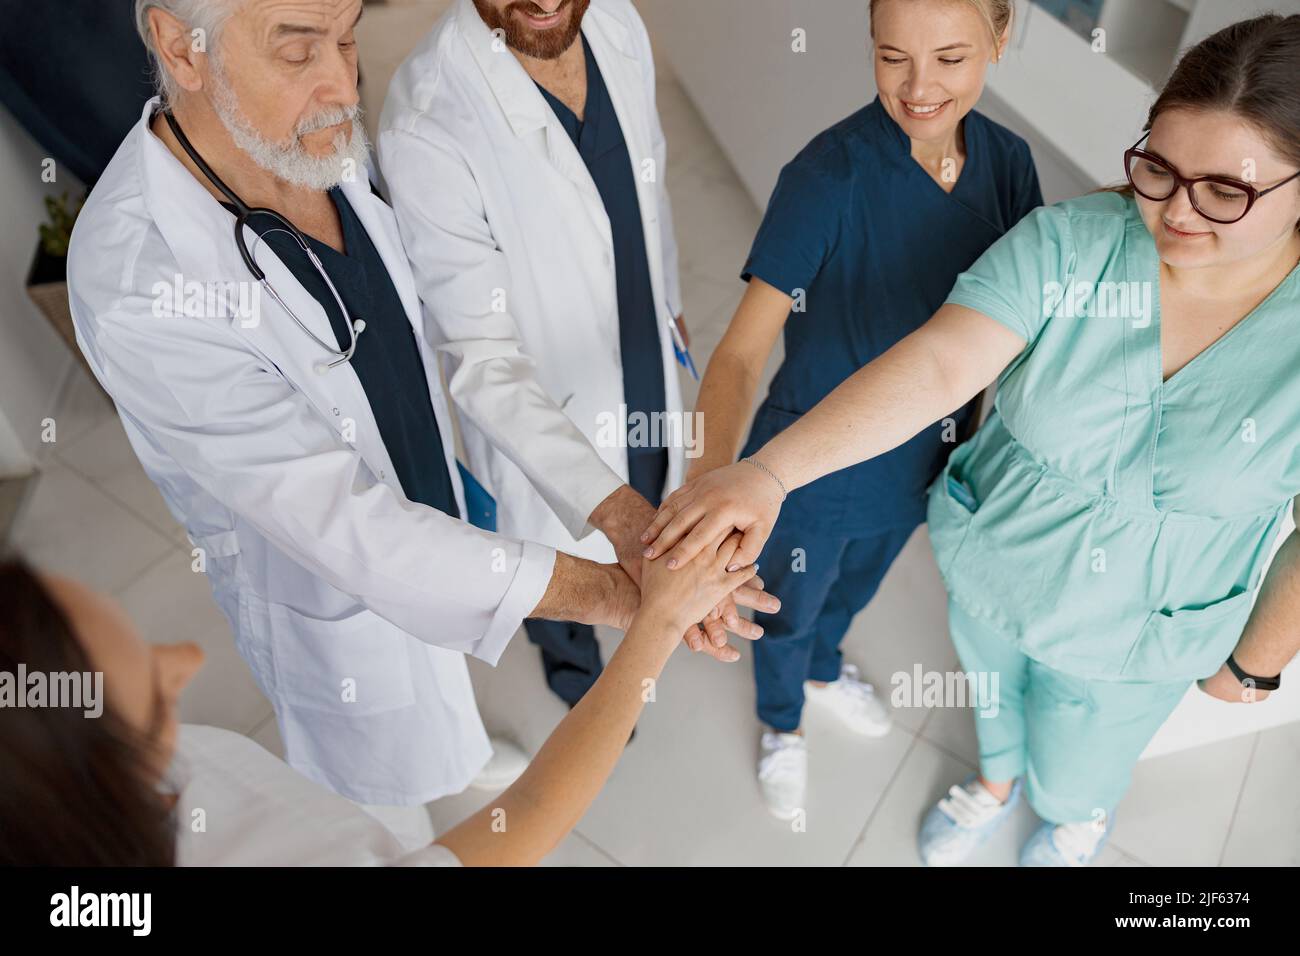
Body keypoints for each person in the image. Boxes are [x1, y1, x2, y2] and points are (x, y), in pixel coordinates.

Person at [69, 0, 775, 847]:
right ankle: (402, 803)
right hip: (340, 600)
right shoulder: (142, 283)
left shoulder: (308, 134)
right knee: (371, 824)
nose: (341, 83)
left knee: (447, 652)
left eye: (347, 37)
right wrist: (624, 596)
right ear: (180, 47)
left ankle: (458, 743)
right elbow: (356, 536)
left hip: (426, 485)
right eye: (298, 53)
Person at [643, 13, 1300, 865]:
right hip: (986, 560)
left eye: (1224, 191)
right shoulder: (1071, 242)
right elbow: (947, 361)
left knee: (1079, 761)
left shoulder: (1004, 164)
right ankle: (979, 776)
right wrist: (763, 473)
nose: (1175, 212)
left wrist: (1255, 662)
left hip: (1141, 635)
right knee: (967, 683)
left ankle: (1073, 816)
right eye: (1158, 169)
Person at [684, 0, 1040, 819]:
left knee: (855, 587)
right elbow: (739, 354)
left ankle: (823, 666)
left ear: (1000, 35)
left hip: (926, 462)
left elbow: (1014, 325)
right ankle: (782, 722)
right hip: (811, 468)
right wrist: (712, 498)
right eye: (892, 57)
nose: (918, 88)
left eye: (951, 58)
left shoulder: (1008, 164)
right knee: (785, 609)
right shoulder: (829, 176)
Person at [377, 0, 752, 709]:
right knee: (560, 571)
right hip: (547, 420)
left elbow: (649, 185)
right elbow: (482, 359)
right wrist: (616, 516)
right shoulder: (427, 119)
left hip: (645, 358)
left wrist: (667, 301)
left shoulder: (615, 21)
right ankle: (575, 673)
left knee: (661, 482)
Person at [0, 540, 759, 866]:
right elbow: (525, 822)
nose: (190, 661)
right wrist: (653, 626)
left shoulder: (62, 779)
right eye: (160, 707)